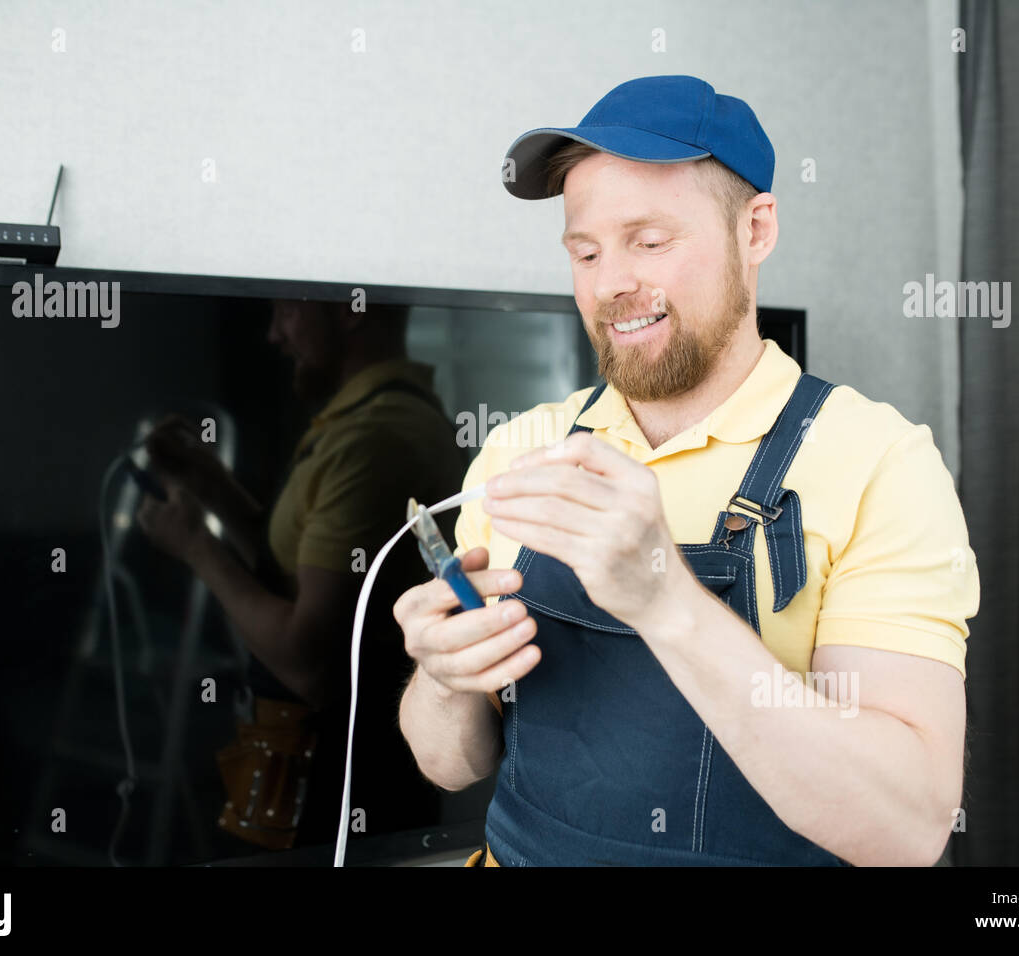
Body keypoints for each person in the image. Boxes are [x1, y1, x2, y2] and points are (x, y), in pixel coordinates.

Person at [393, 75, 981, 867]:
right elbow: (452, 764)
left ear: (757, 229)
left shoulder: (880, 462)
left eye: (649, 240)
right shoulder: (520, 452)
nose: (611, 284)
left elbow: (906, 829)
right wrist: (440, 679)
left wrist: (667, 599)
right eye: (587, 251)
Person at [136, 299, 468, 852]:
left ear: (350, 312)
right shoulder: (359, 422)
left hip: (339, 780)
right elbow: (296, 570)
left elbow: (308, 661)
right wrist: (212, 486)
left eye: (287, 313)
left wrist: (197, 547)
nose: (273, 335)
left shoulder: (375, 440)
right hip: (304, 768)